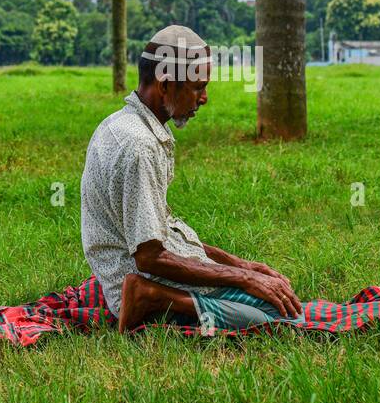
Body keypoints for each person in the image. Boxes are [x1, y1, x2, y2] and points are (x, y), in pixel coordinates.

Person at [80, 24, 304, 333]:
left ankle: (160, 296)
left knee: (277, 298)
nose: (204, 98)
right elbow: (150, 258)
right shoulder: (139, 146)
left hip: (147, 267)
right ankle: (152, 298)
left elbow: (161, 233)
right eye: (197, 87)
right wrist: (246, 279)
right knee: (287, 317)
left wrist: (241, 265)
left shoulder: (125, 124)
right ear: (165, 85)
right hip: (144, 278)